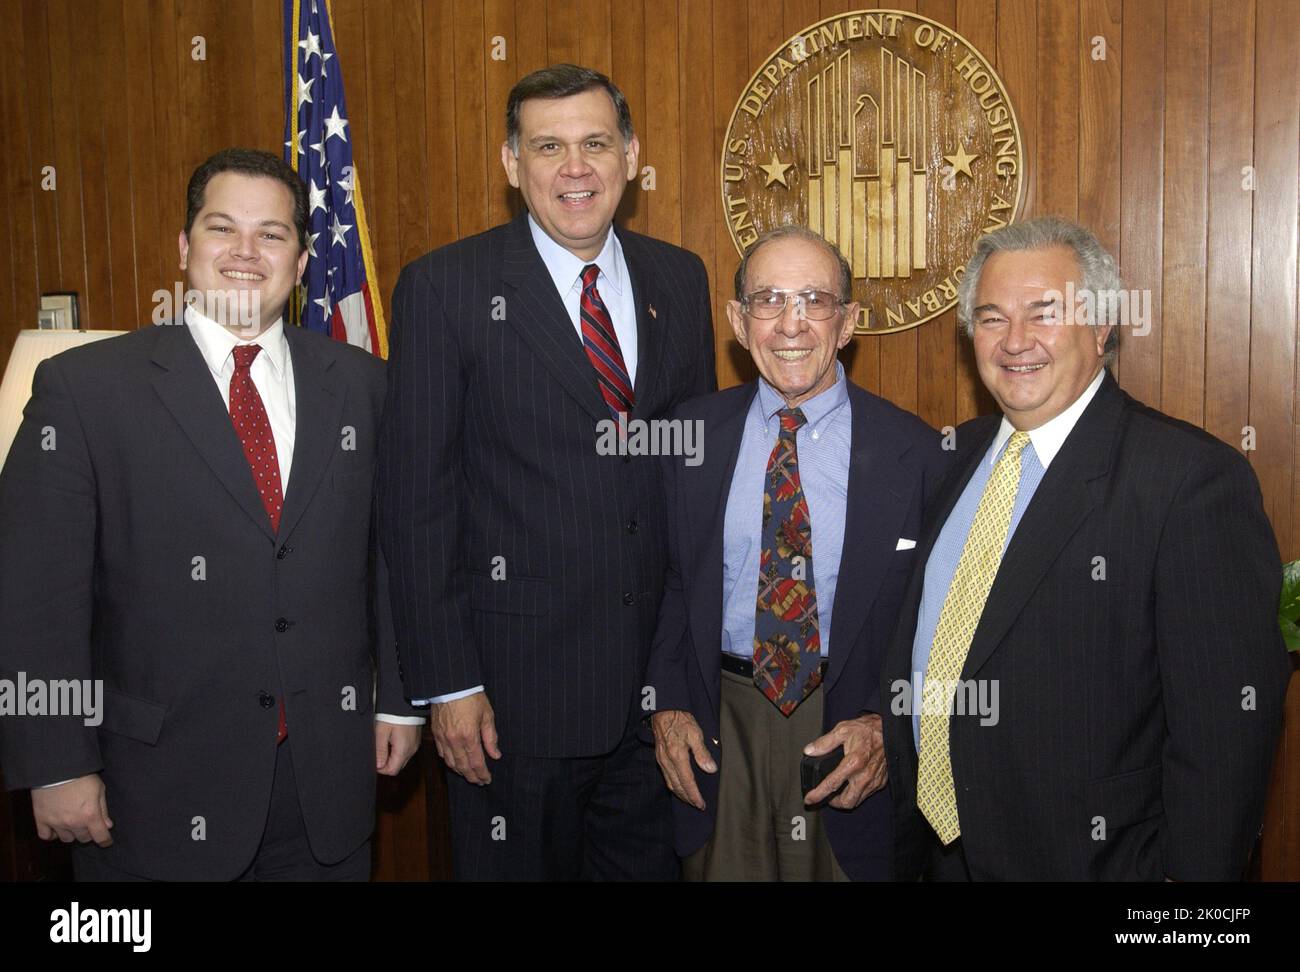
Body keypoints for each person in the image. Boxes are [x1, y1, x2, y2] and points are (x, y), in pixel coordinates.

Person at [0, 148, 421, 881]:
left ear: (300, 261)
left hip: (325, 790)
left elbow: (391, 559)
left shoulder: (365, 387)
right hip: (149, 795)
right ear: (185, 247)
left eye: (272, 234)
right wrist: (54, 760)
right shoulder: (85, 389)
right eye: (222, 228)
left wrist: (401, 703)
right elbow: (34, 595)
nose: (245, 253)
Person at [377, 64, 716, 880]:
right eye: (549, 146)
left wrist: (680, 672)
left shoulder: (681, 277)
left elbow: (688, 485)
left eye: (596, 143)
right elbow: (415, 504)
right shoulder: (444, 288)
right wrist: (448, 685)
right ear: (510, 162)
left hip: (653, 706)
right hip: (511, 709)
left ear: (631, 155)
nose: (576, 167)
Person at [881, 216, 1292, 881]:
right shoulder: (957, 459)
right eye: (990, 319)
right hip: (940, 858)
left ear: (1101, 327)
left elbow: (1223, 747)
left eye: (1044, 313)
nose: (1015, 342)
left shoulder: (1188, 482)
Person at [645, 226, 950, 880]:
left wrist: (891, 728)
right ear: (736, 320)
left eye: (814, 300)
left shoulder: (918, 455)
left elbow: (941, 625)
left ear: (847, 324)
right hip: (720, 731)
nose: (791, 323)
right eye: (768, 300)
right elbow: (669, 584)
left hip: (847, 733)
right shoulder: (687, 439)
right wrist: (666, 703)